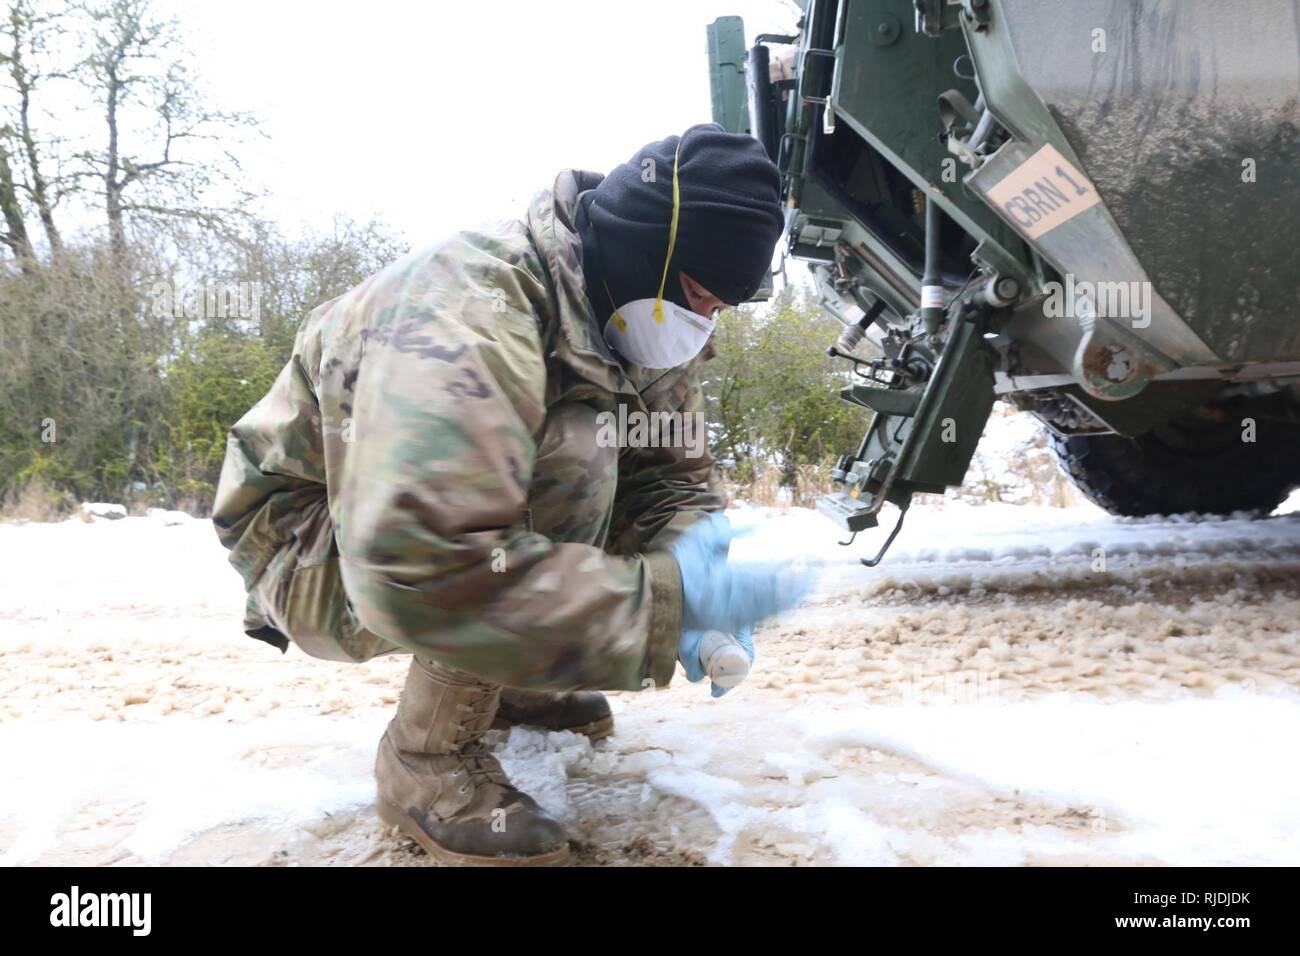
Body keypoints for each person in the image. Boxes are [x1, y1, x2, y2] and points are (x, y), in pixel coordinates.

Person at [212, 123, 805, 865]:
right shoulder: (466, 316)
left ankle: (512, 681)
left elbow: (672, 476)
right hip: (313, 545)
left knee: (595, 459)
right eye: (698, 296)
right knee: (575, 454)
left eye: (721, 308)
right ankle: (422, 764)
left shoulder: (637, 314)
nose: (702, 323)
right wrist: (665, 605)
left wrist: (699, 558)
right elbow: (424, 561)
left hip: (418, 537)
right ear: (644, 249)